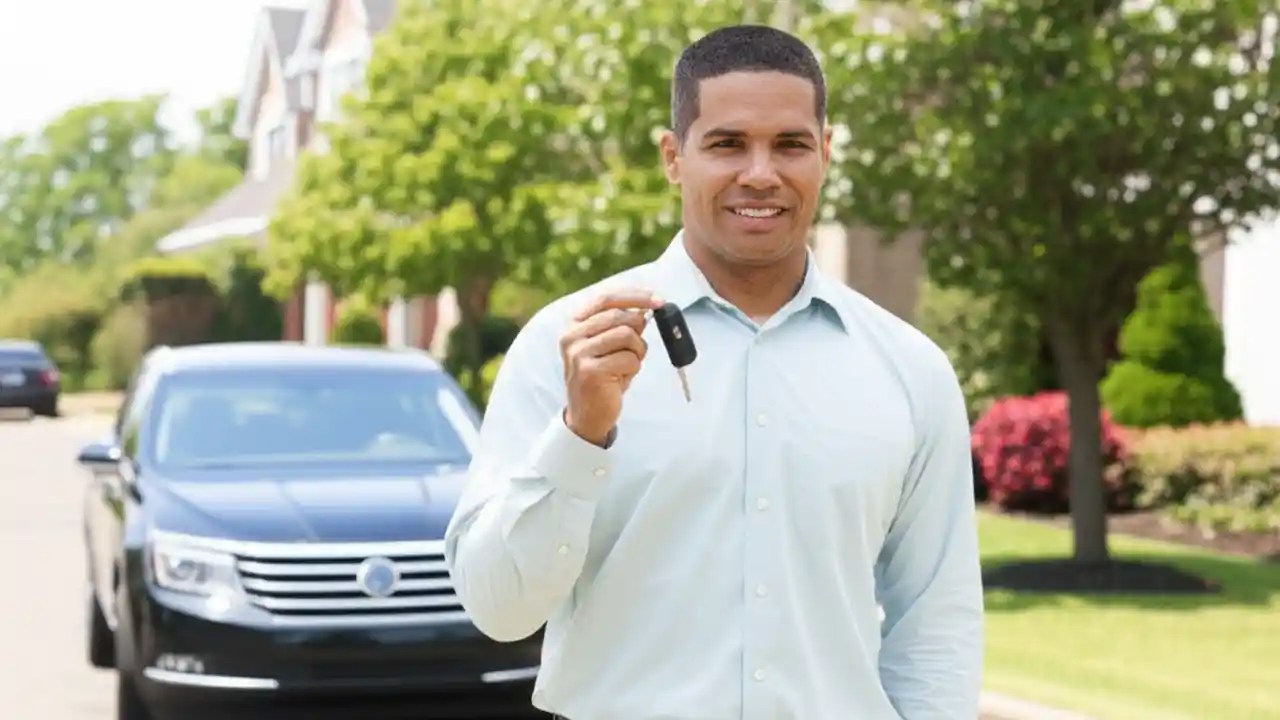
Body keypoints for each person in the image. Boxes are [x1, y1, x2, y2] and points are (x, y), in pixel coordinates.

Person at [444, 24, 984, 720]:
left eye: (790, 144)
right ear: (674, 157)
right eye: (727, 144)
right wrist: (580, 434)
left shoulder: (910, 370)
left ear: (825, 152)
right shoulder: (564, 344)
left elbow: (935, 622)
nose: (760, 173)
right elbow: (499, 609)